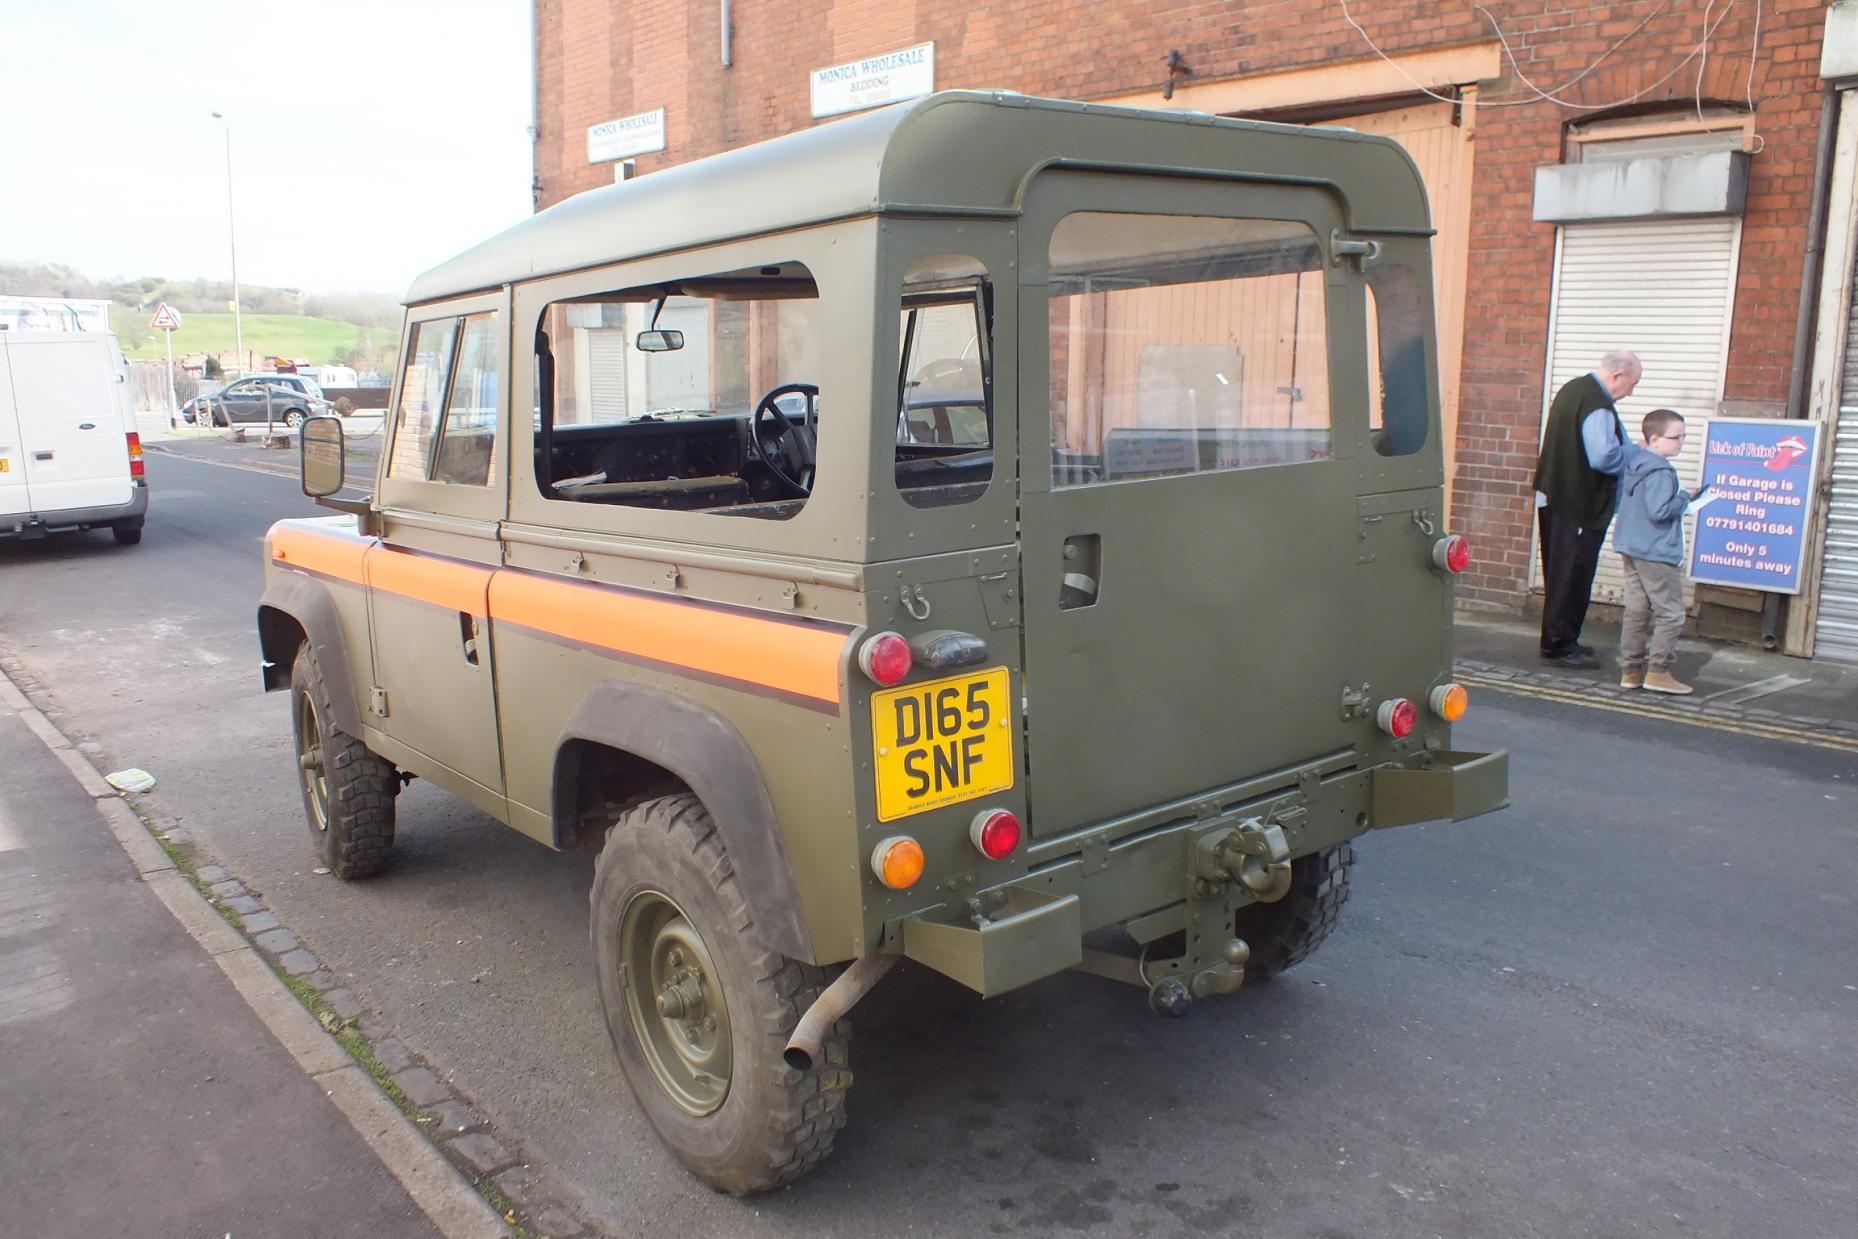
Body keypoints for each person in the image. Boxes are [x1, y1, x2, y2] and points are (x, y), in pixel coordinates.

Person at [1532, 351, 1641, 669]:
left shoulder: (1571, 389)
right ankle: (1560, 645)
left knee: (1559, 571)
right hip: (1577, 502)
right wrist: (1634, 452)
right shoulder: (1597, 403)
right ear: (1618, 376)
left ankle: (1561, 640)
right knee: (1572, 573)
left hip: (1555, 495)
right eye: (1632, 385)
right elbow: (1603, 457)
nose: (1630, 393)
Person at [1614, 409, 1705, 694]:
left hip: (1631, 546)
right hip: (1655, 551)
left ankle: (1630, 672)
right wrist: (1683, 498)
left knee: (1637, 611)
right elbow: (1660, 511)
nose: (1681, 443)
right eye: (1676, 437)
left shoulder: (1637, 463)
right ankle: (1658, 672)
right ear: (1655, 438)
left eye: (1683, 437)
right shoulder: (1663, 471)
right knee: (1671, 613)